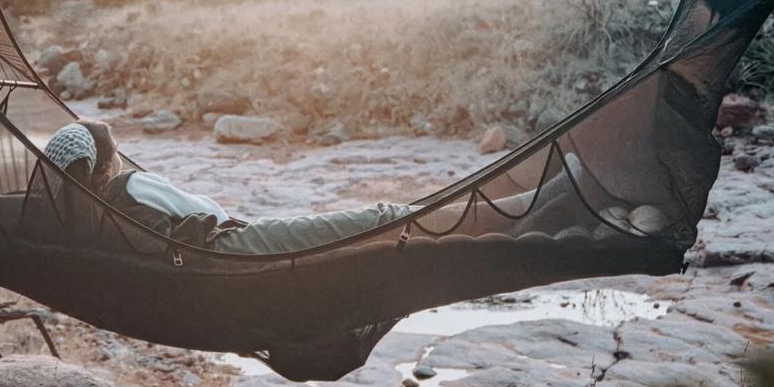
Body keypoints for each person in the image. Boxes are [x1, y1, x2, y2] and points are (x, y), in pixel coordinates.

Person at [41, 120, 597, 255]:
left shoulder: (106, 207)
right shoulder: (123, 199)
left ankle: (523, 209)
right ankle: (526, 213)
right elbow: (170, 246)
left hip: (235, 242)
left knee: (388, 219)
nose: (117, 162)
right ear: (100, 168)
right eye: (110, 156)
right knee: (382, 219)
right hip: (236, 250)